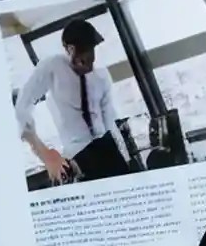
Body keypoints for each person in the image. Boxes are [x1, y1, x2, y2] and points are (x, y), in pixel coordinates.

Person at [14, 18, 131, 185]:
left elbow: (109, 119)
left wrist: (124, 153)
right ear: (69, 49)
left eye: (90, 56)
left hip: (109, 148)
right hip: (79, 155)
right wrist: (44, 153)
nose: (86, 64)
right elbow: (21, 107)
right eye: (81, 57)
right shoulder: (52, 67)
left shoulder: (101, 76)